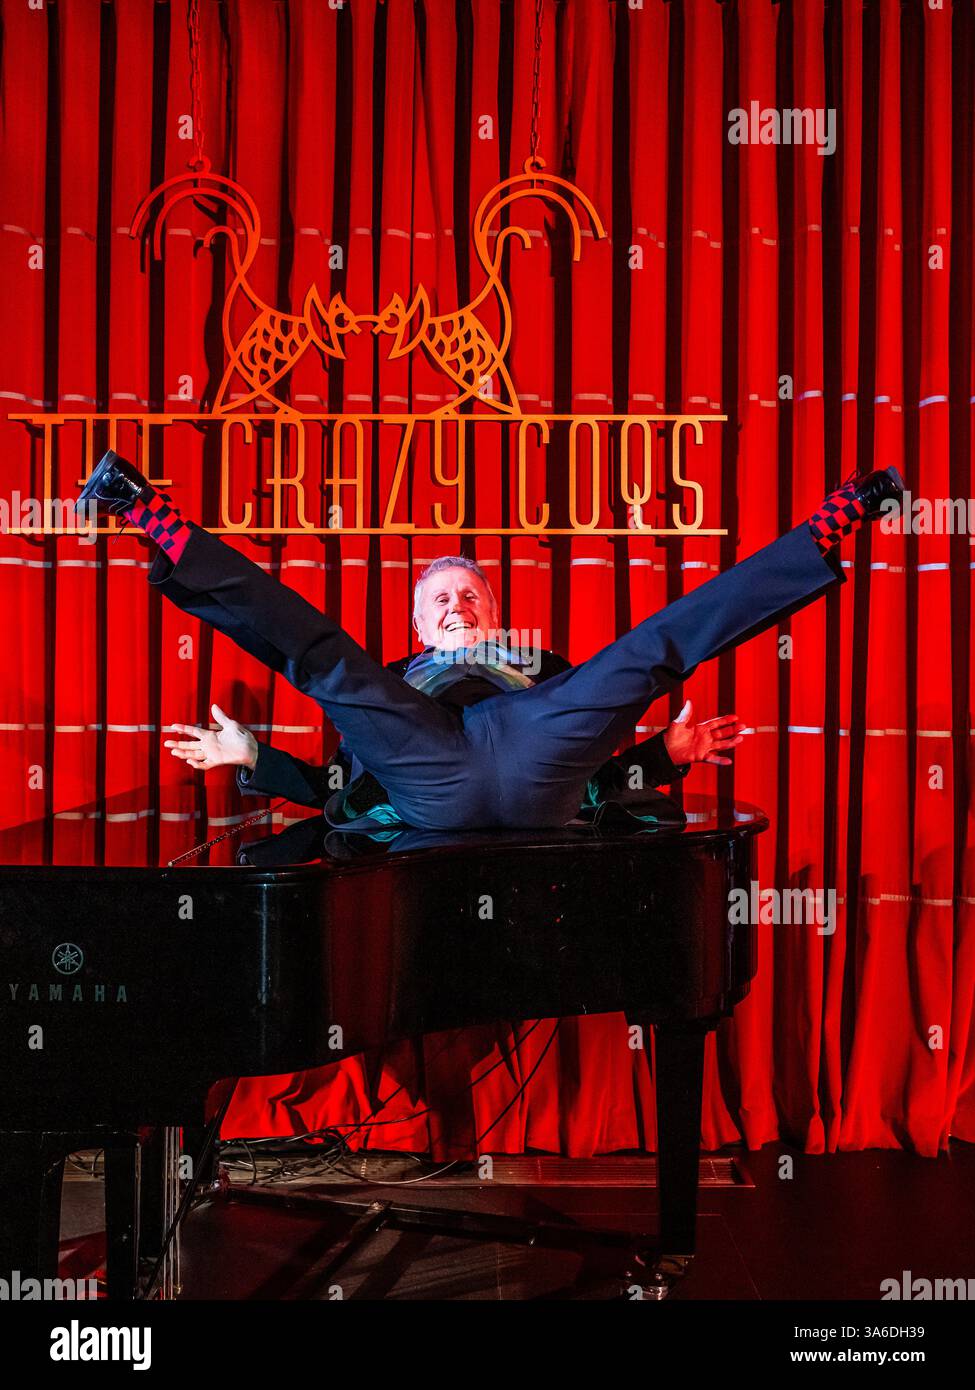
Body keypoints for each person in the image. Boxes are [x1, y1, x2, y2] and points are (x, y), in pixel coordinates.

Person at [78, 450, 902, 833]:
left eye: (470, 593)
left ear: (494, 611)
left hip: (532, 759)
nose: (457, 603)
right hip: (428, 776)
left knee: (650, 650)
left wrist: (664, 756)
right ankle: (152, 517)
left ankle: (830, 525)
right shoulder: (395, 679)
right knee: (324, 658)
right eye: (439, 597)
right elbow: (341, 783)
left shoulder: (542, 670)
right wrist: (255, 758)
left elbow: (600, 772)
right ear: (416, 625)